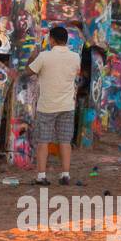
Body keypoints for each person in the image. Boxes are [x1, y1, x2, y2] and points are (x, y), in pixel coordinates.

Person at [27, 25, 81, 186]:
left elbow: (29, 71)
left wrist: (32, 57)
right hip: (67, 106)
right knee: (65, 141)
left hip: (47, 106)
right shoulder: (75, 57)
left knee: (43, 141)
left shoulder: (44, 57)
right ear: (66, 40)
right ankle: (65, 174)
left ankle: (41, 176)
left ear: (51, 39)